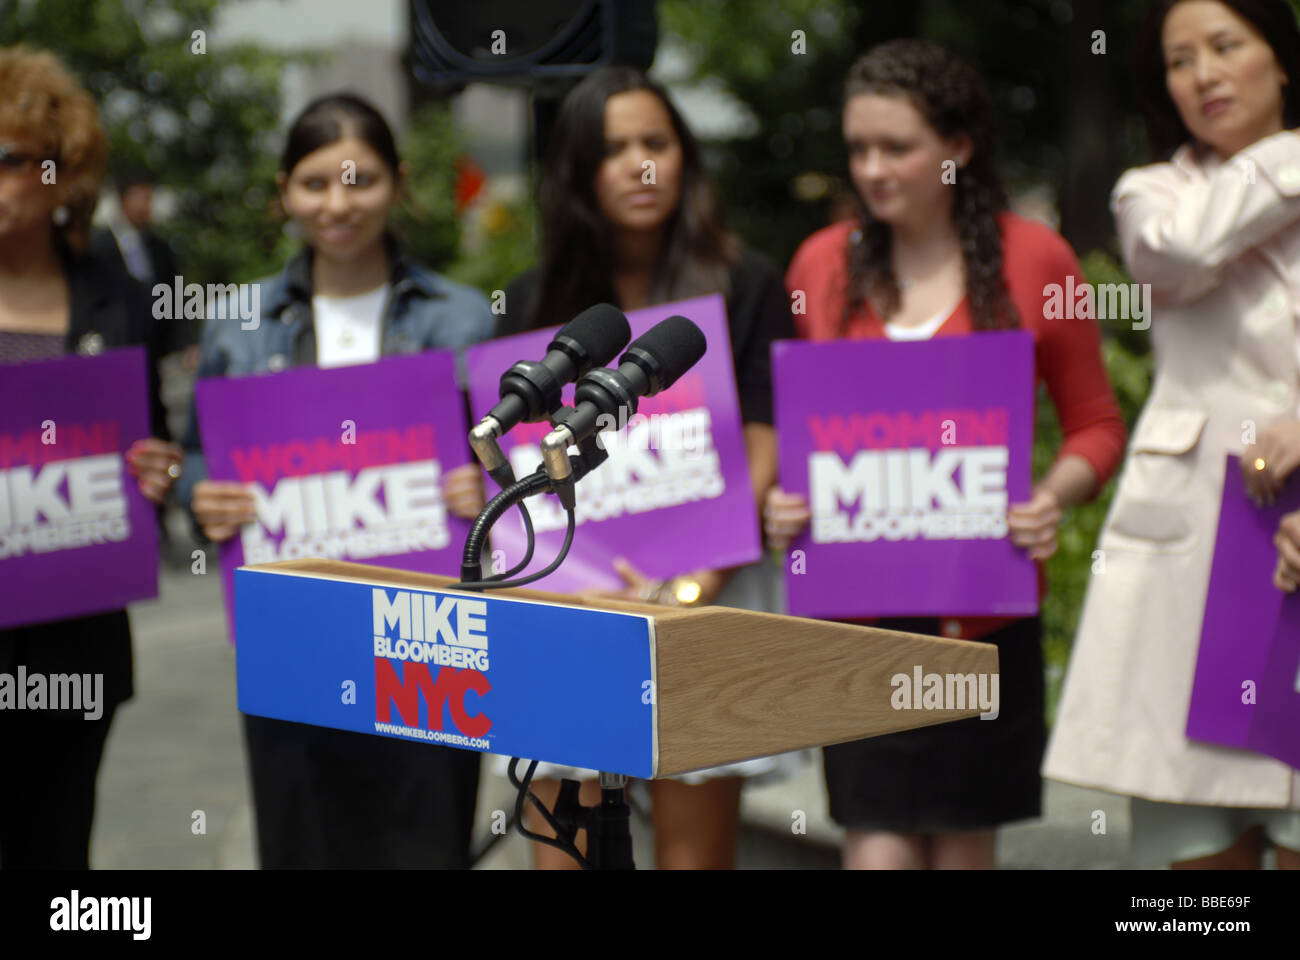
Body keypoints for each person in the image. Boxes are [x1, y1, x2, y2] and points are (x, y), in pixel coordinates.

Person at [766, 39, 1127, 869]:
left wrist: (1051, 498)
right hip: (857, 623)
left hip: (982, 616)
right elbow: (811, 435)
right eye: (859, 148)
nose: (872, 168)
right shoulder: (819, 266)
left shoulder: (1038, 259)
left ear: (958, 147)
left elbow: (1097, 425)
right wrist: (788, 499)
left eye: (897, 146)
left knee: (965, 848)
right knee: (876, 846)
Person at [174, 93, 495, 868]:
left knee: (424, 845)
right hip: (296, 637)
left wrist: (486, 495)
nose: (338, 203)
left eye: (361, 180)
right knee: (302, 846)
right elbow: (192, 458)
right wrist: (202, 498)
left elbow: (508, 464)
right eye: (316, 183)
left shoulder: (459, 318)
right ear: (285, 191)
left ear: (398, 183)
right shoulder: (239, 323)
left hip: (429, 639)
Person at [495, 65, 799, 870]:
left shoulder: (749, 284)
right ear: (577, 173)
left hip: (705, 596)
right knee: (565, 851)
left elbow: (765, 437)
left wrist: (699, 579)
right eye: (613, 147)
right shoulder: (532, 299)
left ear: (685, 157)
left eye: (656, 142)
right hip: (569, 607)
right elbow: (518, 461)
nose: (639, 164)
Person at [1045, 0, 1300, 870]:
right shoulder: (1150, 192)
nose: (1203, 74)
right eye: (1178, 61)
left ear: (1283, 60)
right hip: (1193, 565)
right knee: (1197, 881)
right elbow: (1183, 255)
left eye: (1227, 46)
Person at [0, 46, 182, 868]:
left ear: (59, 169)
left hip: (74, 643)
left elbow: (144, 443)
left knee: (56, 851)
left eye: (5, 158)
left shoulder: (118, 298)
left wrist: (157, 476)